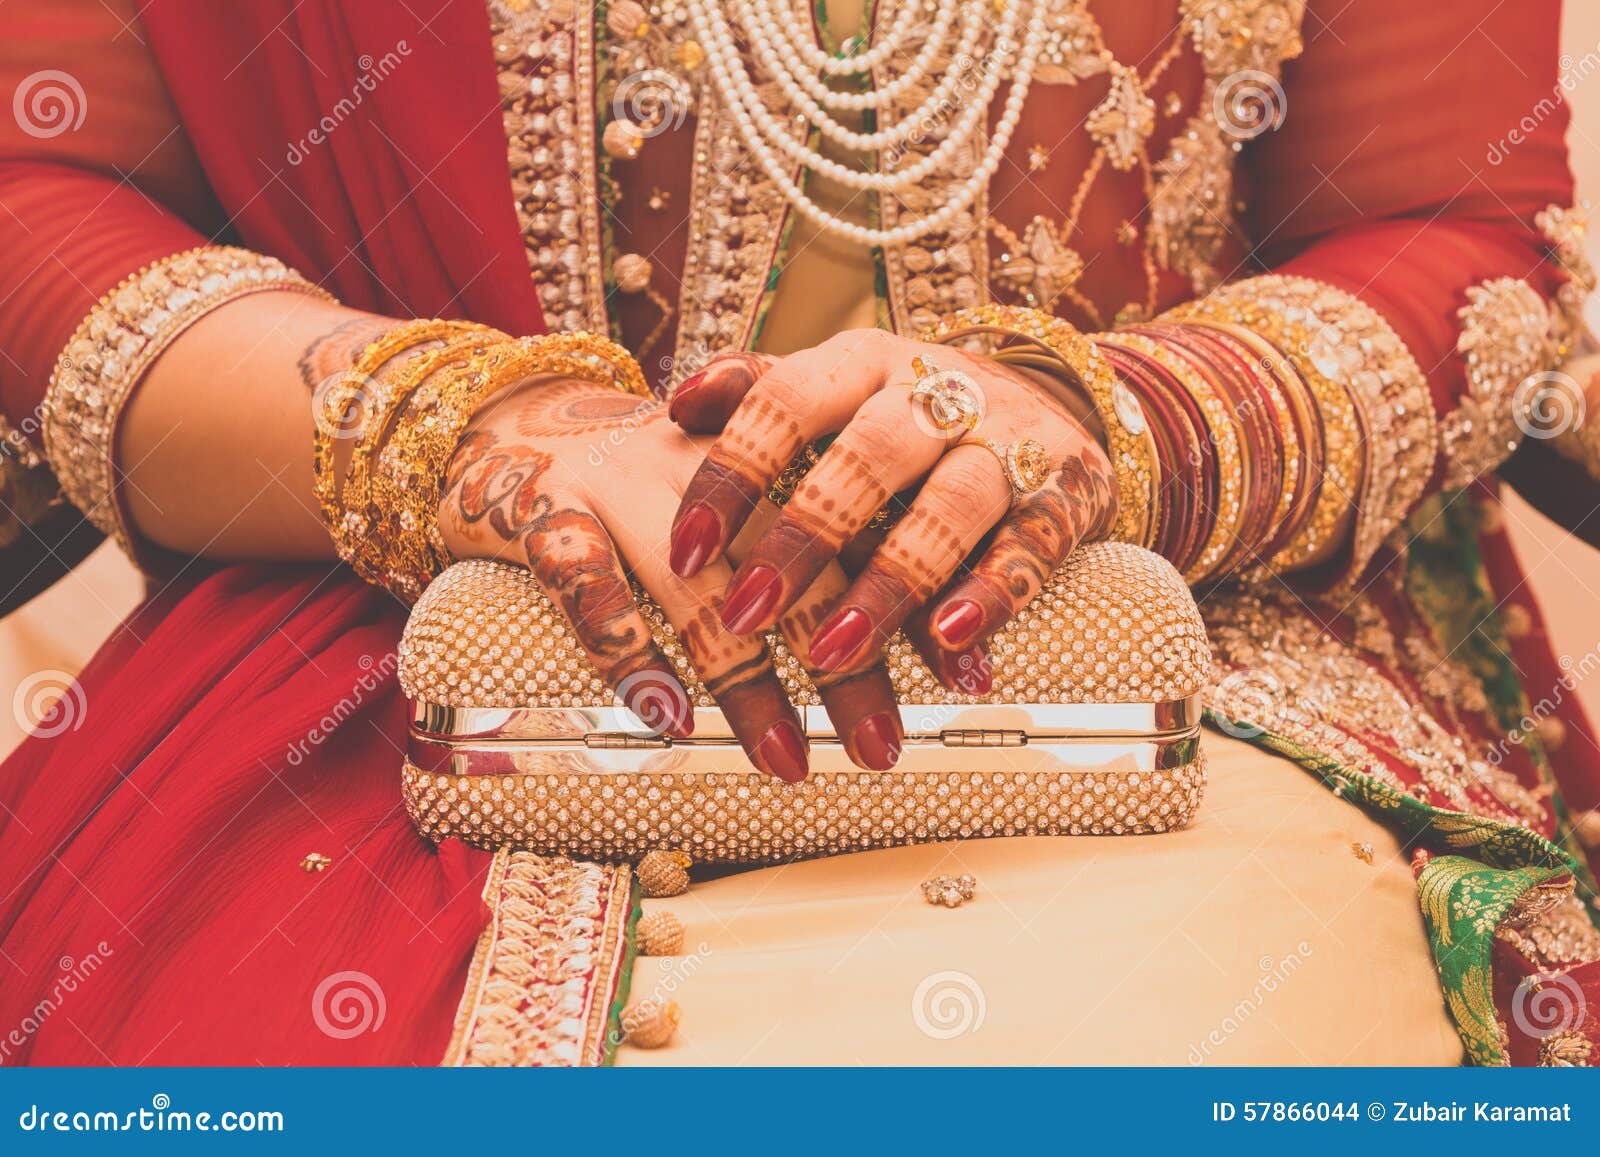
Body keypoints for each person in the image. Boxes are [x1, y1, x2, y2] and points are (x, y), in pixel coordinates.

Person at [0, 0, 1597, 1066]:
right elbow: (43, 179)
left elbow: (1451, 217)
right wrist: (481, 435)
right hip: (413, 656)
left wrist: (1107, 427)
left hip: (1158, 640)